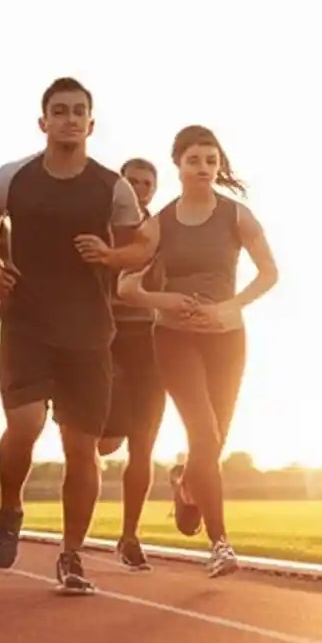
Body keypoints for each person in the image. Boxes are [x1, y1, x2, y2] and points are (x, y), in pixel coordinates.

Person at [0, 78, 152, 593]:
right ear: (43, 121)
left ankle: (71, 556)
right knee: (24, 426)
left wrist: (112, 256)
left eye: (79, 112)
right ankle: (10, 506)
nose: (70, 119)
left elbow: (140, 248)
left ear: (91, 124)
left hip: (89, 332)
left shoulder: (111, 187)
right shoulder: (14, 177)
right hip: (27, 324)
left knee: (82, 449)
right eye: (60, 111)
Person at [117, 124, 279, 579]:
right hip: (174, 338)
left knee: (213, 443)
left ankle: (186, 483)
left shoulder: (236, 216)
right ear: (179, 165)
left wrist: (232, 306)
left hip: (228, 339)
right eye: (194, 160)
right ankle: (221, 543)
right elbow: (126, 286)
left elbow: (269, 273)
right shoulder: (160, 223)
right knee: (204, 435)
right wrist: (161, 300)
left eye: (211, 160)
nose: (204, 168)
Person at [98, 157, 168, 572]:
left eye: (146, 183)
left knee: (143, 443)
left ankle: (129, 536)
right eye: (132, 182)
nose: (139, 188)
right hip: (106, 338)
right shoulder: (103, 232)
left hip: (150, 342)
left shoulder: (163, 233)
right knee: (104, 442)